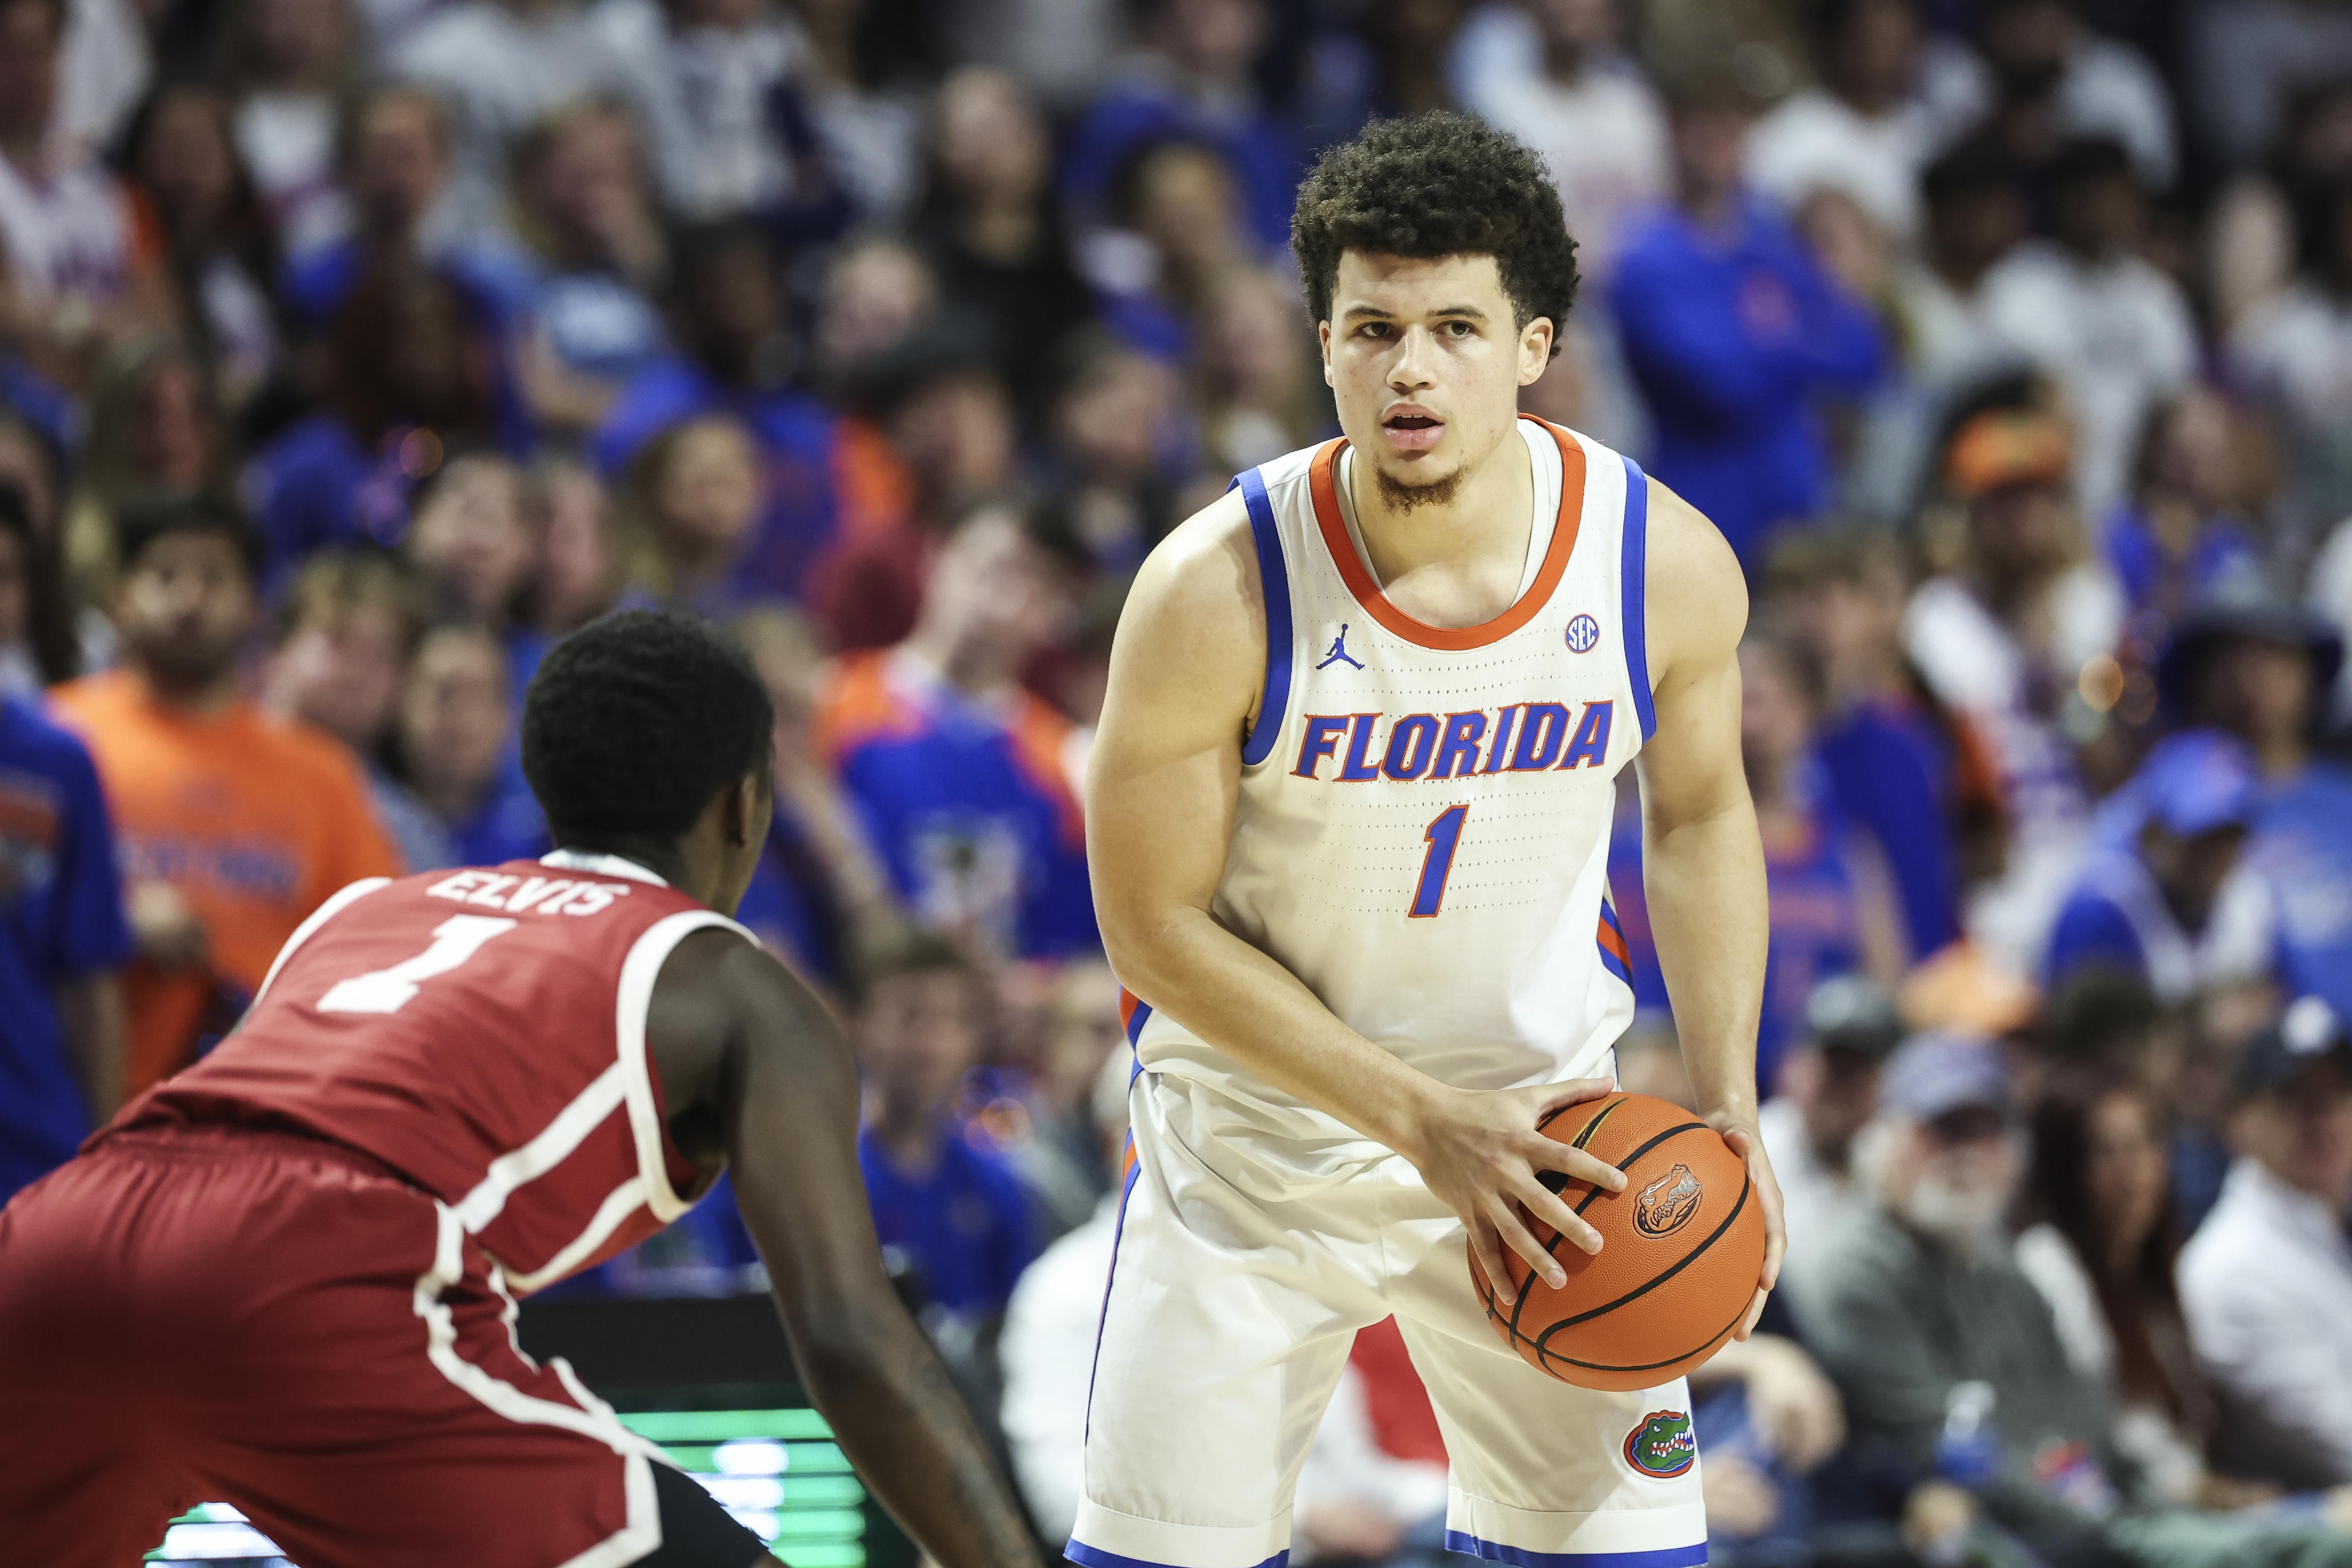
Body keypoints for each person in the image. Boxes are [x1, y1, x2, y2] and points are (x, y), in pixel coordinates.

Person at [1080, 113, 1783, 1568]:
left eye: (1455, 327)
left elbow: (1703, 815)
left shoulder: (1659, 562)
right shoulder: (1213, 589)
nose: (1410, 367)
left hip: (1544, 1147)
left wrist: (1726, 1100)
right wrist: (1413, 1118)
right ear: (1320, 342)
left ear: (1532, 344)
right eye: (1372, 327)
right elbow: (1150, 930)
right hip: (1254, 1145)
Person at [0, 609, 1046, 1568]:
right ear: (744, 804)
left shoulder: (363, 906)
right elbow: (849, 1336)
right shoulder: (735, 982)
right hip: (313, 1261)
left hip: (61, 1235)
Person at [1812, 1032, 2352, 1565]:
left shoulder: (1998, 1266)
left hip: (2106, 1516)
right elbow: (1941, 1451)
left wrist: (2157, 1506)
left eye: (1986, 1129)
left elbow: (2083, 1428)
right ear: (1882, 1138)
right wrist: (2118, 1524)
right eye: (1943, 1128)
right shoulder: (1860, 1271)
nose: (1966, 1153)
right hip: (2014, 1537)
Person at [50, 496, 399, 1095]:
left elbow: (376, 946)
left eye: (215, 578)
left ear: (253, 609)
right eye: (165, 575)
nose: (189, 599)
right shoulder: (59, 734)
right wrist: (114, 920)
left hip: (257, 1113)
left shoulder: (320, 773)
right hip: (68, 1099)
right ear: (120, 597)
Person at [1612, 72, 1885, 573]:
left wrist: (1757, 346)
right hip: (1700, 521)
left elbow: (1861, 353)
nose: (1723, 141)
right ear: (1673, 132)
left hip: (1798, 522)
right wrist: (1798, 346)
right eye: (1707, 125)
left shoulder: (1772, 241)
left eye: (1735, 124)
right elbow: (1720, 383)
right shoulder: (1647, 257)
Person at [816, 500, 1095, 961]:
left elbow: (1071, 947)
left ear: (1055, 615)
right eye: (984, 568)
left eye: (1024, 583)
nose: (993, 598)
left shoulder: (1064, 761)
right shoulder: (830, 703)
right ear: (934, 560)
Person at [2177, 998, 2352, 1488]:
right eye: (2293, 1098)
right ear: (2238, 1120)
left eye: (2338, 1093)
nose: (2324, 1118)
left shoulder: (2327, 1218)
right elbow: (2342, 1447)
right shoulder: (2231, 1267)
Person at [1978, 136, 2197, 525]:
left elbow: (2175, 409)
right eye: (2092, 196)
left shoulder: (2156, 299)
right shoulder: (2018, 287)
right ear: (2066, 199)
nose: (2105, 211)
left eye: (2116, 197)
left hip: (2137, 505)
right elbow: (2001, 414)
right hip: (2041, 500)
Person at [0, 559, 129, 1199]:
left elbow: (91, 978)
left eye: (4, 573)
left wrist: (103, 1149)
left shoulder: (58, 760)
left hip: (29, 1138)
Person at [2160, 595, 2352, 1019]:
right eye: (2230, 660)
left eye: (2273, 657)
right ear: (2198, 679)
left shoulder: (2345, 803)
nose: (2251, 679)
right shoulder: (2163, 805)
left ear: (2311, 676)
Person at [1737, 631, 1907, 1092]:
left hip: (1833, 1086)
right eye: (1741, 700)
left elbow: (1887, 980)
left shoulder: (1847, 848)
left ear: (1805, 713)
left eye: (1769, 699)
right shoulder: (1688, 844)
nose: (1754, 721)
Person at [851, 924, 1037, 1321]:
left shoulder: (997, 1187)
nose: (931, 1045)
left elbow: (1015, 1332)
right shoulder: (813, 1176)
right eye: (910, 1017)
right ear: (860, 1024)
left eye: (952, 1020)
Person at [2043, 730, 2274, 1003]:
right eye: (2199, 839)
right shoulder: (2100, 910)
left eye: (2229, 837)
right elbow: (2092, 1040)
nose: (2216, 856)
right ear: (2152, 834)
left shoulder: (2250, 896)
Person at [1755, 974, 1901, 1327]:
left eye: (1858, 1071)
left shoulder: (1891, 1158)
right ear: (1792, 1068)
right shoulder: (1755, 1148)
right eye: (1833, 1068)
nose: (1842, 1087)